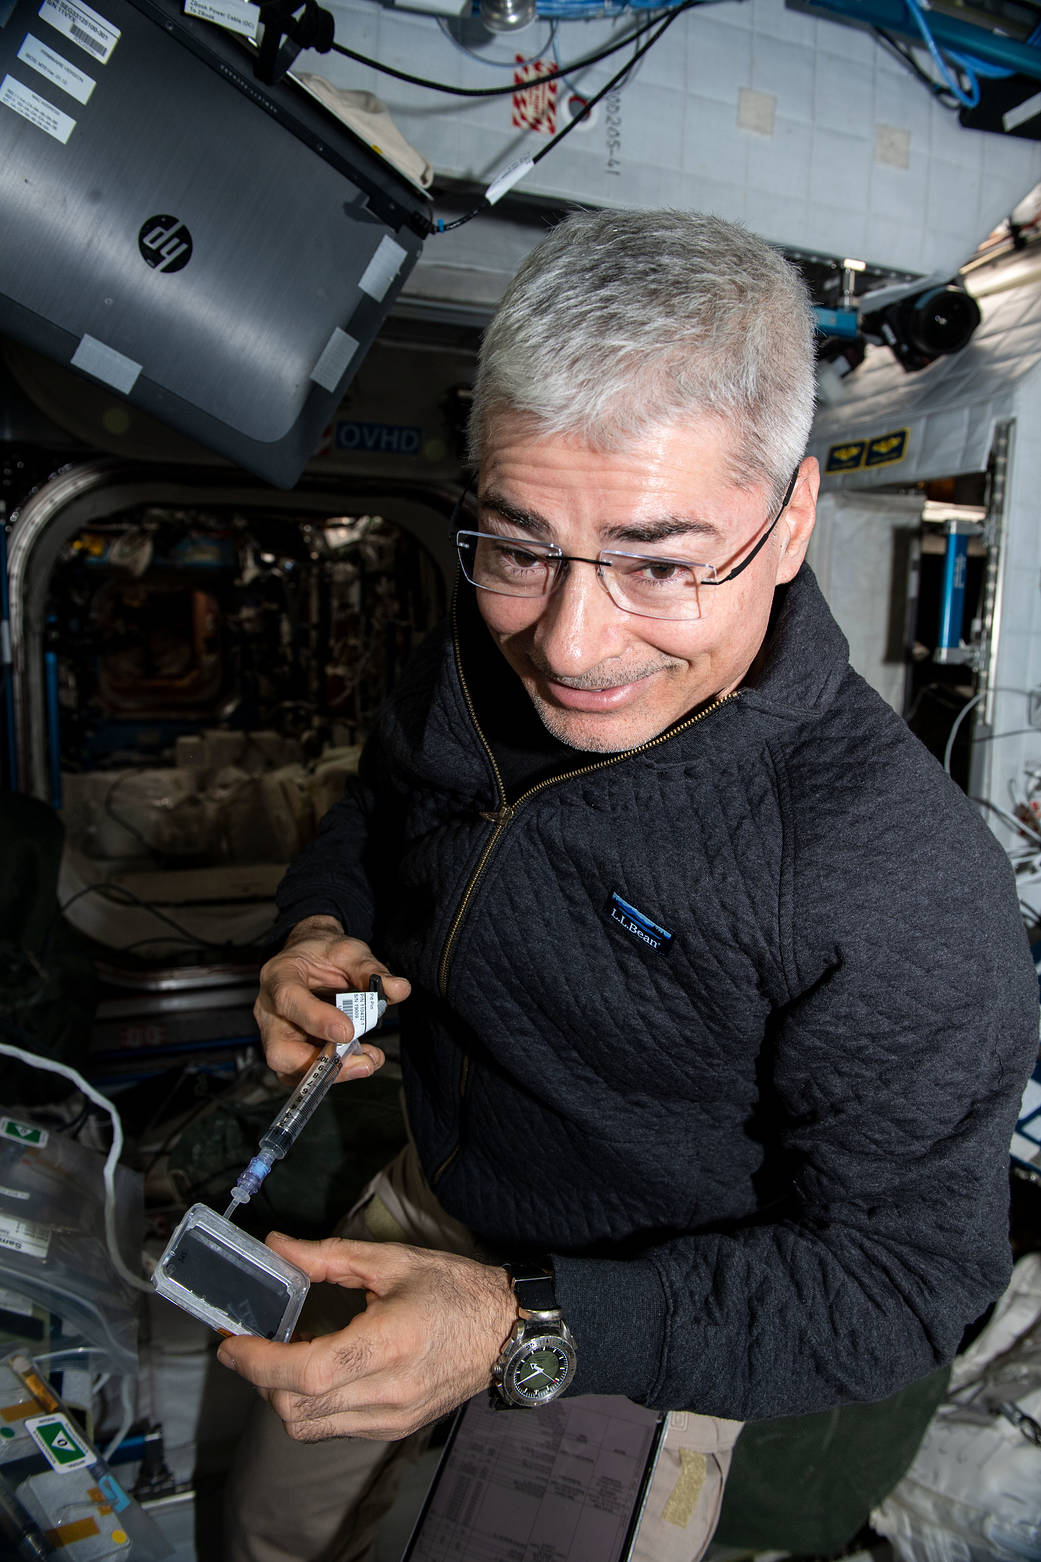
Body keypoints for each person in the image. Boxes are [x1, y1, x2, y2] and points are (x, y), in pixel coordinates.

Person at [219, 208, 1039, 1562]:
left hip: (635, 1321)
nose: (569, 642)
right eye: (518, 545)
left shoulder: (891, 885)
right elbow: (375, 811)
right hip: (423, 1197)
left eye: (659, 563)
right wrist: (320, 927)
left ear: (788, 524)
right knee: (262, 1529)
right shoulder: (467, 665)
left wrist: (525, 1323)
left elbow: (897, 1285)